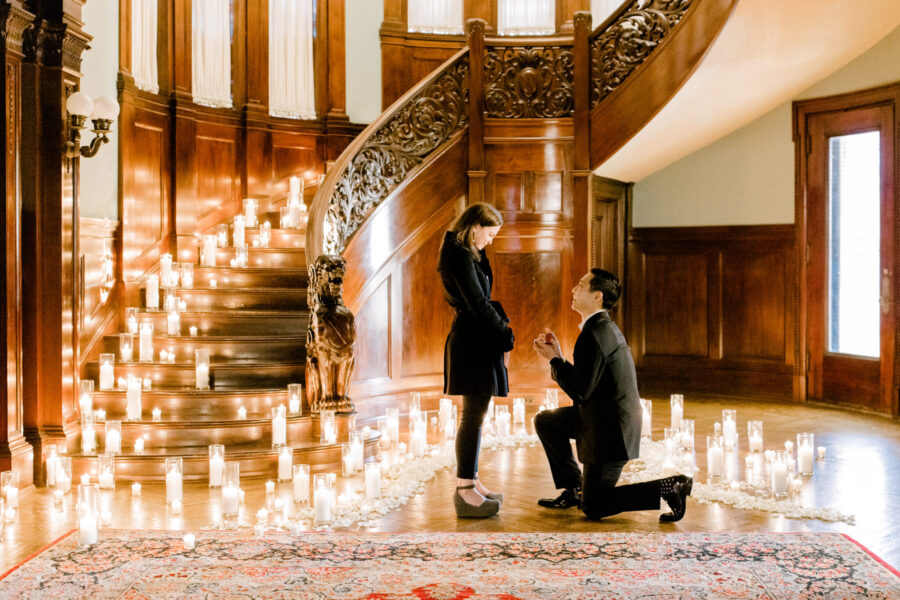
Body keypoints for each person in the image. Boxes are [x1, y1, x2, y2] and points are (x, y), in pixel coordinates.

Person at [532, 269, 692, 522]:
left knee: (594, 507)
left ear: (597, 296)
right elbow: (587, 383)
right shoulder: (600, 328)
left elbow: (581, 391)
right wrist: (558, 358)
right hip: (602, 420)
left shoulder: (594, 334)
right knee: (546, 421)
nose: (573, 289)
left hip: (611, 434)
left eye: (580, 285)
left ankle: (669, 488)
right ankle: (575, 489)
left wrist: (553, 360)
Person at [438, 202, 513, 518]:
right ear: (475, 227)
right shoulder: (458, 255)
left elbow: (483, 300)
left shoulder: (468, 253)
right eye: (490, 234)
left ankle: (472, 481)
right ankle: (464, 489)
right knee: (472, 416)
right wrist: (506, 335)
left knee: (476, 415)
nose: (490, 241)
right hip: (472, 341)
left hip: (476, 338)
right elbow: (479, 304)